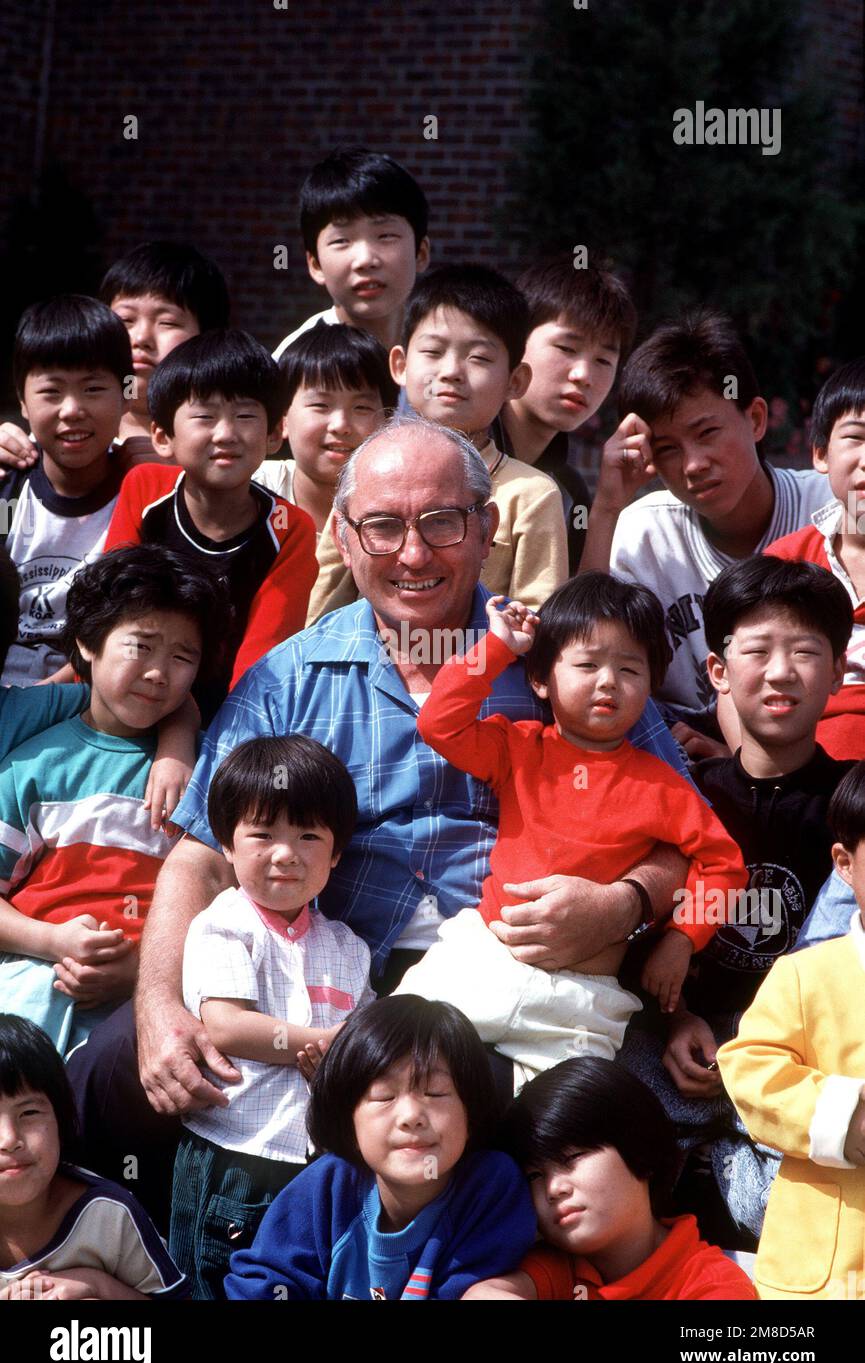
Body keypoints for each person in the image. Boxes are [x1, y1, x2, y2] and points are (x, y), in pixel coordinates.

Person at [67, 417, 691, 1225]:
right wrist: (160, 1007)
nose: (413, 553)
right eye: (384, 526)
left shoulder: (560, 661)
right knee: (117, 1062)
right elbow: (199, 855)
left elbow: (687, 837)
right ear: (343, 534)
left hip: (515, 989)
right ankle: (84, 1255)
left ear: (487, 527)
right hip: (309, 977)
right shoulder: (291, 676)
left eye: (441, 522)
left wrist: (625, 903)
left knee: (594, 1124)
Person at [396, 576, 747, 1084]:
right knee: (397, 1051)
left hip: (585, 999)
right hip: (484, 957)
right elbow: (439, 723)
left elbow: (724, 866)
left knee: (564, 1128)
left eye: (630, 669)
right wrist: (496, 648)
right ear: (540, 679)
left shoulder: (662, 786)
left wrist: (681, 941)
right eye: (586, 665)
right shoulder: (518, 749)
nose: (608, 682)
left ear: (650, 686)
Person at [619, 554, 855, 1241]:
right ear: (717, 671)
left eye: (805, 653)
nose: (780, 672)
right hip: (685, 1037)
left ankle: (722, 1177)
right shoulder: (681, 796)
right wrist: (676, 1017)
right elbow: (643, 936)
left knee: (788, 1209)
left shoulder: (852, 801)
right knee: (604, 1117)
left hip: (805, 1053)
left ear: (837, 673)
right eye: (757, 651)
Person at [0, 545, 227, 1053]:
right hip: (31, 993)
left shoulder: (209, 773)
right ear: (86, 642)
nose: (157, 673)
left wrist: (144, 969)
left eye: (182, 656)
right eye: (141, 646)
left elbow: (228, 907)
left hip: (154, 1010)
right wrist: (51, 940)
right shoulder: (32, 766)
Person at [170, 734, 374, 1300]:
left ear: (336, 853)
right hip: (234, 1153)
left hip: (316, 1163)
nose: (286, 853)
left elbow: (366, 1039)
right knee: (216, 1284)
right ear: (227, 846)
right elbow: (228, 1026)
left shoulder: (348, 948)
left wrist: (340, 1057)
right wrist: (328, 1044)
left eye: (309, 836)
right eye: (262, 834)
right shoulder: (225, 924)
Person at [580, 309, 832, 754]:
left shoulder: (828, 511)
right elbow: (584, 655)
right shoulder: (643, 531)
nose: (694, 465)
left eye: (707, 432)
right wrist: (606, 507)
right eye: (668, 449)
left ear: (755, 420)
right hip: (682, 757)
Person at [224, 995, 536, 1300]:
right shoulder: (329, 1186)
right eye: (385, 1095)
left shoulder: (490, 1189)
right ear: (348, 1119)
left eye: (436, 1093)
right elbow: (266, 1281)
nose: (412, 1117)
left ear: (472, 1110)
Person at [307, 263, 568, 620]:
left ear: (516, 380)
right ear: (399, 364)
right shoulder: (368, 475)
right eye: (433, 352)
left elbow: (537, 621)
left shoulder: (531, 494)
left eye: (478, 358)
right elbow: (323, 605)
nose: (451, 372)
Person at [103, 328, 318, 723]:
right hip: (129, 692)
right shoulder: (145, 488)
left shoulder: (289, 528)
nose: (226, 434)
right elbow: (113, 611)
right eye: (204, 415)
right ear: (163, 436)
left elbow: (262, 663)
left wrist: (196, 735)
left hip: (235, 715)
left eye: (245, 415)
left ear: (274, 433)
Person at [718, 761, 865, 1300]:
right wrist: (846, 1118)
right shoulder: (804, 973)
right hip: (822, 1263)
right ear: (845, 865)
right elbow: (749, 1068)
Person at [462, 1057, 755, 1300]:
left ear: (640, 1147)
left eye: (572, 1158)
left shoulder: (713, 1287)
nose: (553, 1188)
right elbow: (484, 1294)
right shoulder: (557, 1267)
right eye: (534, 1175)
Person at [0, 240, 230, 473]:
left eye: (167, 322)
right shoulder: (48, 440)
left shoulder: (232, 445)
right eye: (126, 320)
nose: (140, 338)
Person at [0, 1015, 189, 1300]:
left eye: (28, 1113)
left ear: (62, 1119)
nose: (10, 1139)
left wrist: (100, 1287)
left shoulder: (110, 1215)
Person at [2, 295, 133, 686]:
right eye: (52, 392)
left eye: (93, 389)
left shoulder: (142, 495)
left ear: (126, 391)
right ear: (23, 400)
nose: (72, 409)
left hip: (97, 692)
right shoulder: (9, 495)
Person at [495, 252, 639, 572]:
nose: (583, 375)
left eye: (603, 360)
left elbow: (578, 612)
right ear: (517, 342)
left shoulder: (569, 491)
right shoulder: (461, 453)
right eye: (567, 349)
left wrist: (608, 504)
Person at [763, 358, 865, 757]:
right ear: (821, 454)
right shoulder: (785, 564)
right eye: (856, 437)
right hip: (800, 788)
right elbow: (742, 681)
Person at [272, 146, 431, 358]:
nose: (365, 260)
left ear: (420, 252)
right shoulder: (294, 362)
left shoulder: (448, 350)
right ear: (315, 265)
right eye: (341, 240)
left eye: (385, 236)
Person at [254, 322, 396, 546]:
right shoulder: (250, 491)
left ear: (388, 422)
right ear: (282, 419)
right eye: (321, 405)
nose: (340, 425)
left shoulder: (402, 503)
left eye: (361, 408)